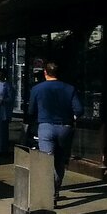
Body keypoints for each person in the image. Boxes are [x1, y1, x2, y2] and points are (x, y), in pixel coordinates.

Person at [28, 61, 83, 200]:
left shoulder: (37, 89)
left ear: (45, 73)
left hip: (45, 127)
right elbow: (79, 109)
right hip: (65, 128)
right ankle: (55, 191)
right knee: (59, 161)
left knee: (47, 161)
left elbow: (31, 111)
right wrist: (72, 118)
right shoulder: (70, 89)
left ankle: (48, 193)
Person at [0, 68, 14, 154]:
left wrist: (3, 101)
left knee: (3, 129)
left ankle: (3, 148)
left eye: (1, 74)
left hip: (3, 110)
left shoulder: (7, 85)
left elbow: (11, 98)